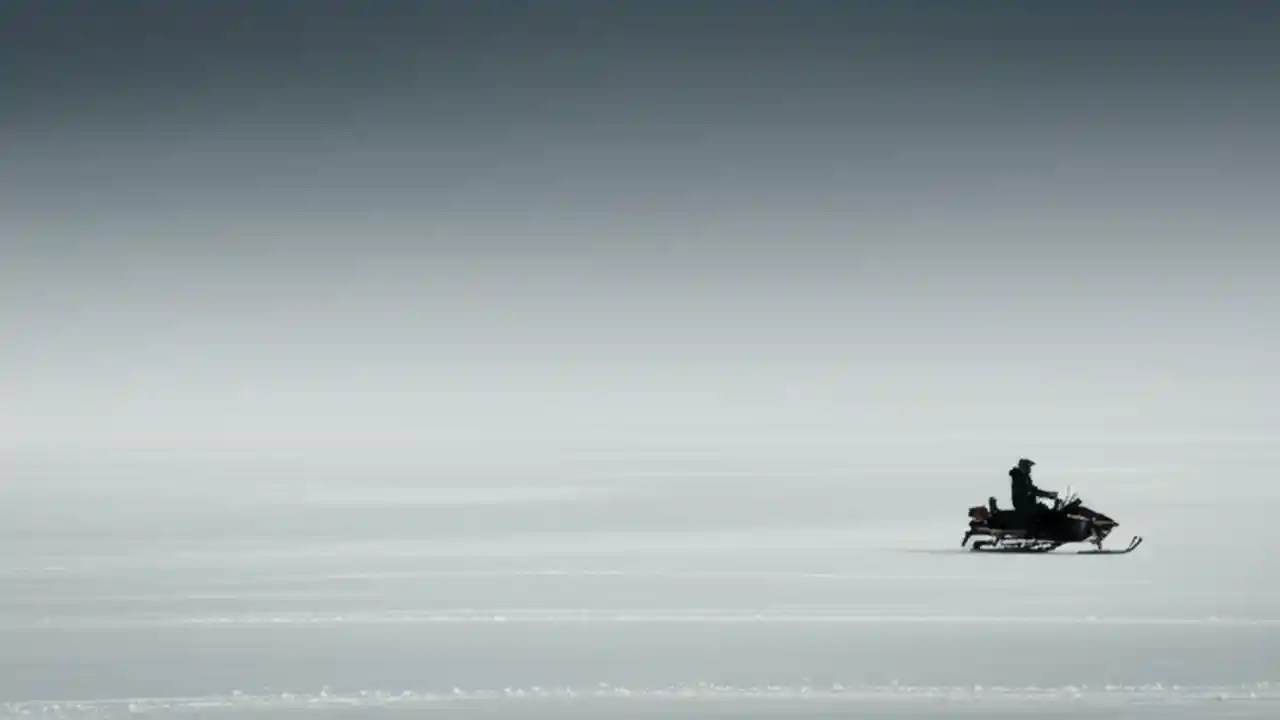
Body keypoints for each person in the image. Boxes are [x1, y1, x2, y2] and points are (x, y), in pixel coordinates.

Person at [1009, 458, 1057, 529]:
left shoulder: (1025, 478)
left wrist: (1049, 495)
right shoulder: (1019, 478)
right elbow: (1031, 490)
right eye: (1028, 467)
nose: (1030, 469)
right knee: (1041, 509)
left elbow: (1033, 489)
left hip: (1027, 504)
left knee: (1042, 508)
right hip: (1022, 505)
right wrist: (1048, 495)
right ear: (1023, 467)